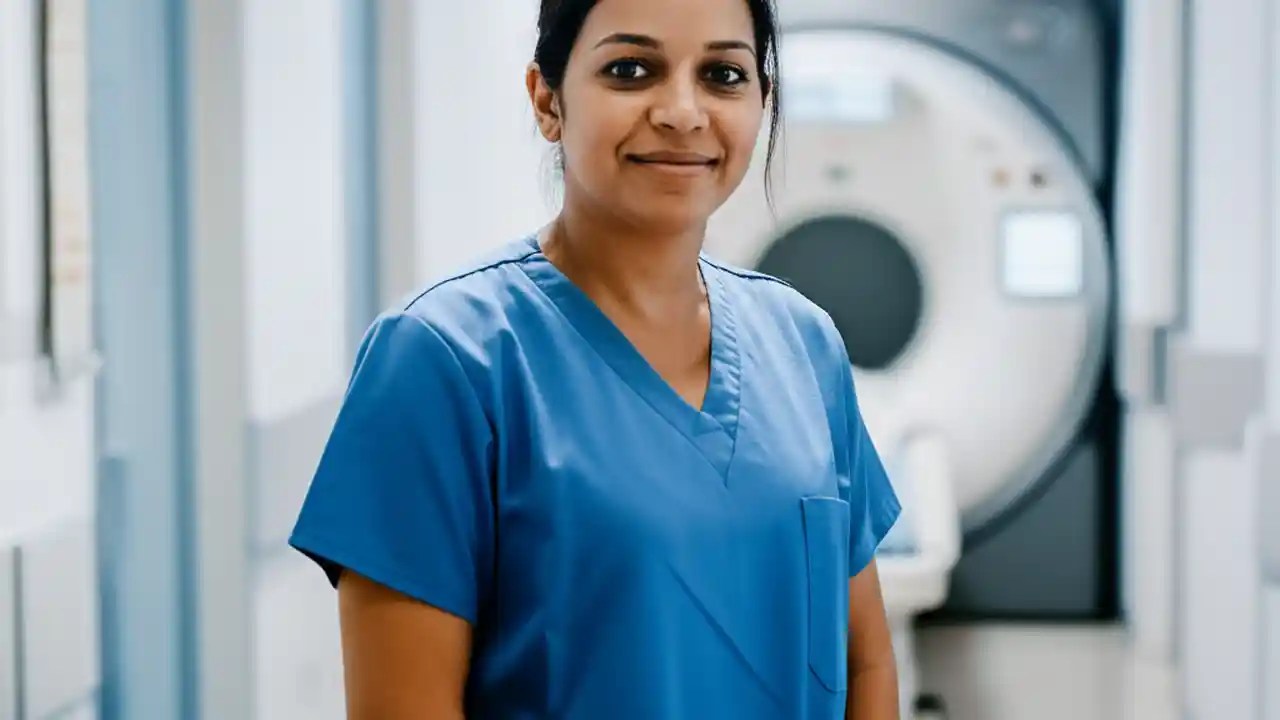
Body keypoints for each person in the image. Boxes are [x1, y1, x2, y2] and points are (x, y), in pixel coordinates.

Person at [289, 0, 903, 717]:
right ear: (548, 100)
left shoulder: (803, 343)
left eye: (723, 74)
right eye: (631, 69)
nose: (682, 111)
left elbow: (866, 662)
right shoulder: (444, 358)